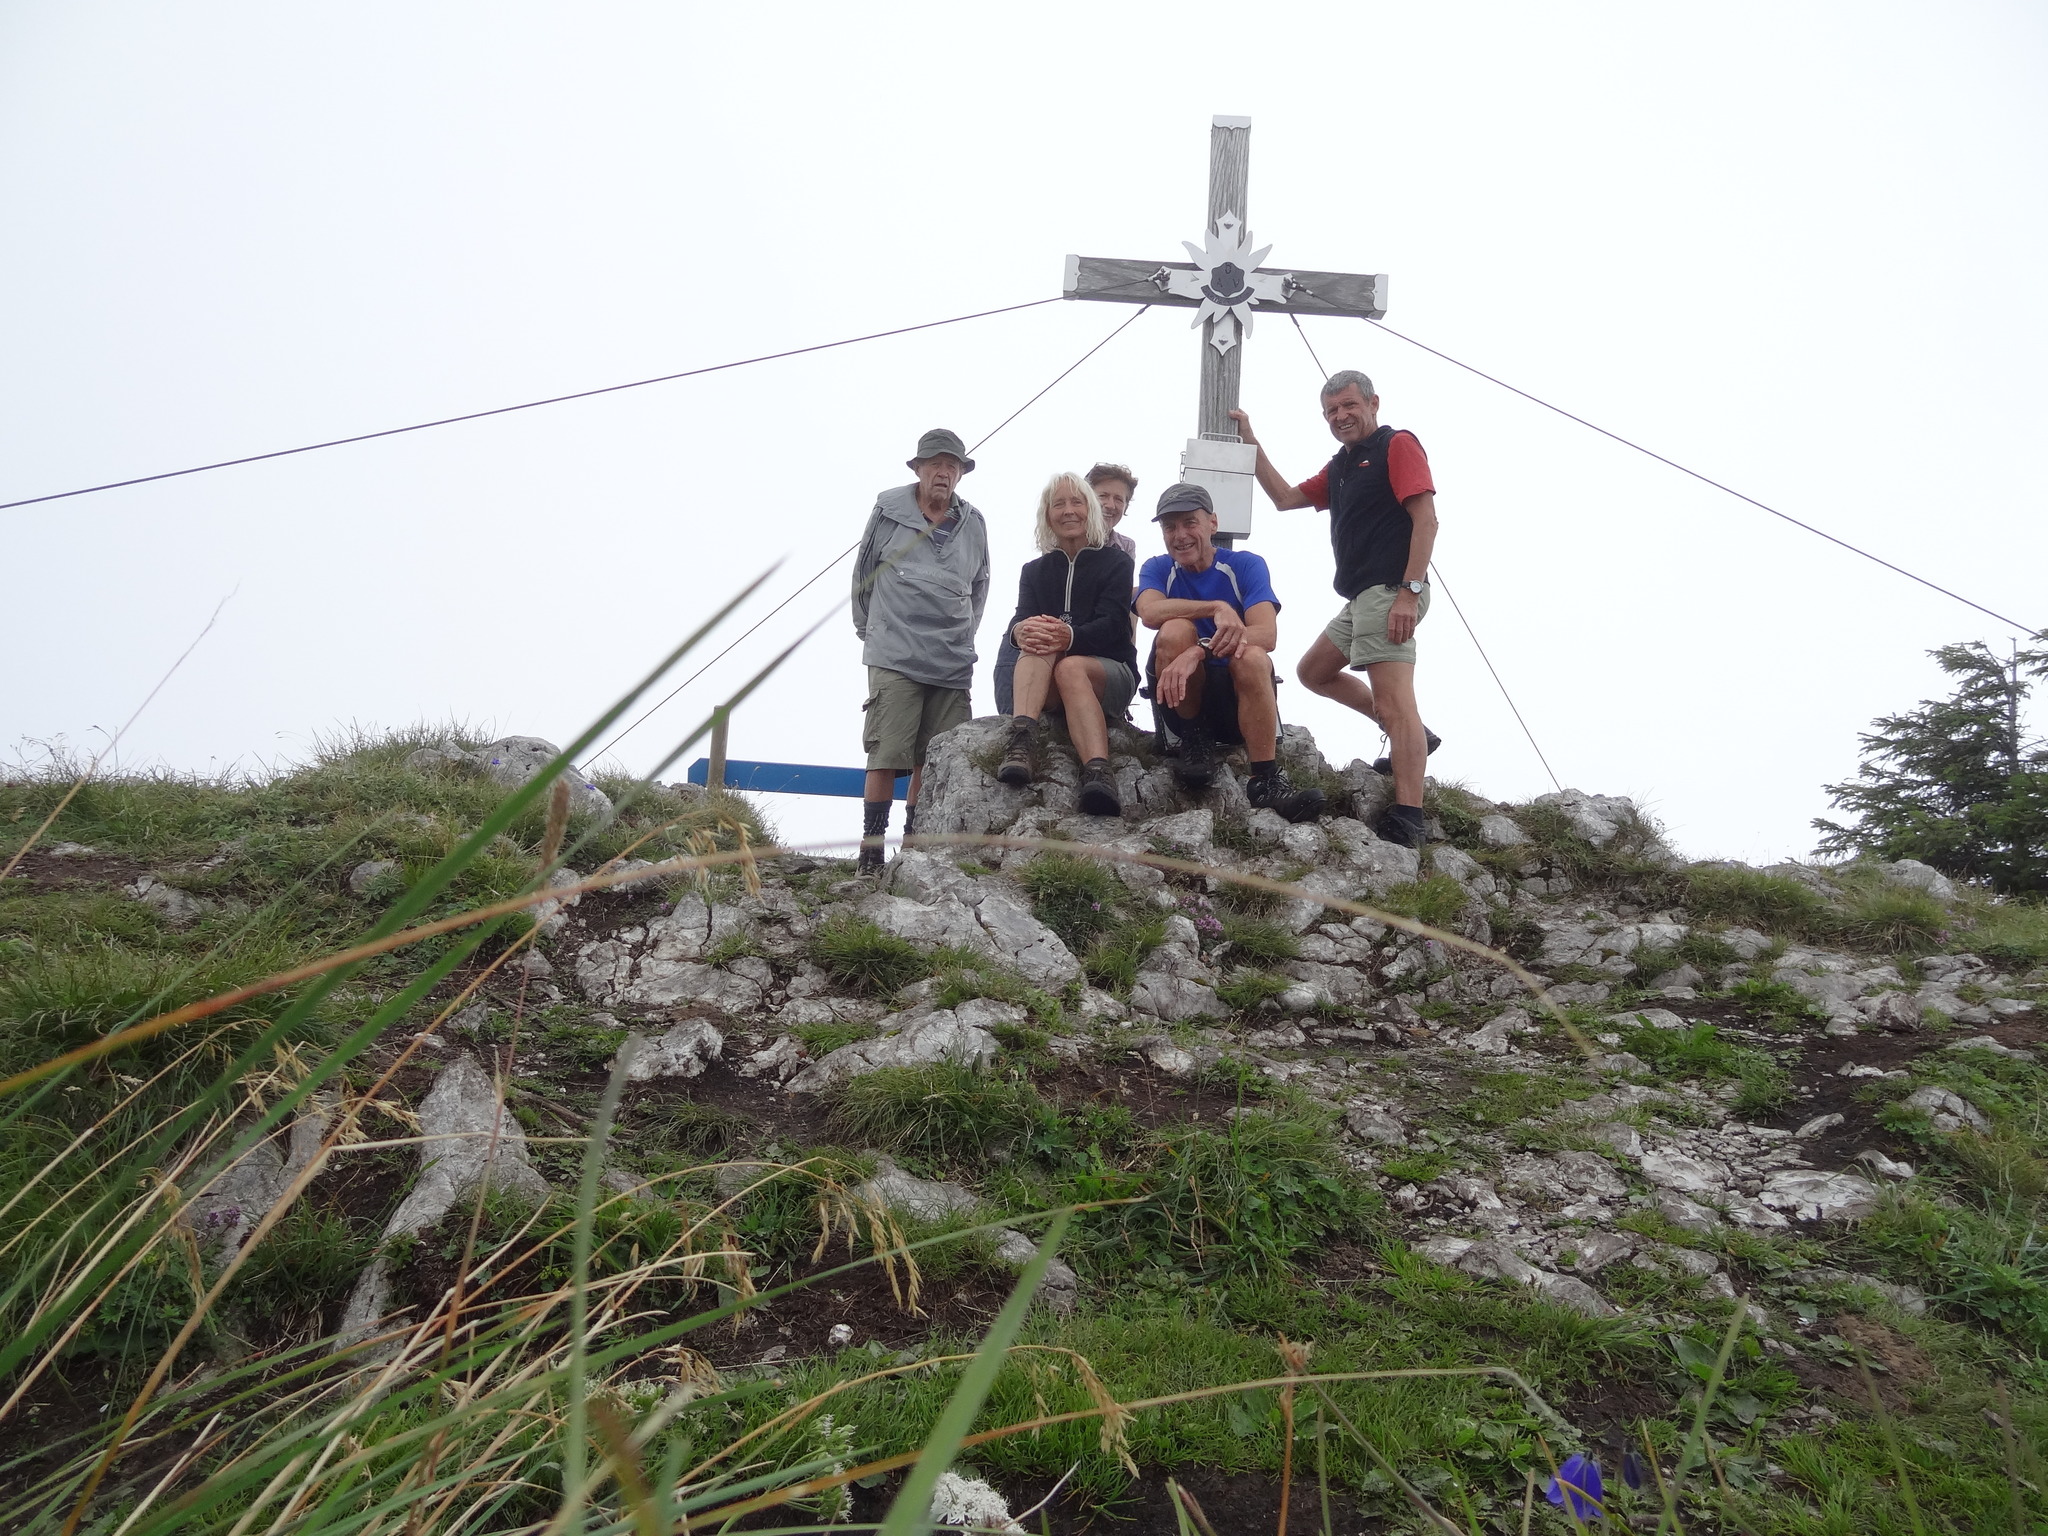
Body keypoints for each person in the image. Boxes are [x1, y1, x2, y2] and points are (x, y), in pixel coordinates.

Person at [1231, 372, 1440, 848]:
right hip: (1362, 597)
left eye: (1349, 406)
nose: (1341, 417)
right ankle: (1415, 738)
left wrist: (1408, 591)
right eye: (1331, 411)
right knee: (1314, 671)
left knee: (1394, 701)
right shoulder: (1343, 465)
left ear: (1373, 403)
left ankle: (1409, 815)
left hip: (1390, 590)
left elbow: (1425, 519)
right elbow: (1286, 499)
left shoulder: (1397, 445)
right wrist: (1252, 444)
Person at [1134, 483, 1325, 823]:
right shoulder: (1158, 568)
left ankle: (1265, 778)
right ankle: (1193, 740)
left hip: (1235, 700)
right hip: (1181, 701)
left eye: (1189, 522)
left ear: (1212, 524)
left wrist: (1199, 650)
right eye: (1170, 527)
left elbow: (1266, 634)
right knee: (1175, 629)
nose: (1180, 535)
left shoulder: (1245, 565)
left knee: (1252, 656)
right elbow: (1149, 613)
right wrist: (1217, 607)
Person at [849, 428, 990, 873]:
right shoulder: (888, 510)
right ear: (918, 469)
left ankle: (914, 848)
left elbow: (980, 587)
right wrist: (871, 629)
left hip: (950, 659)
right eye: (936, 465)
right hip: (894, 652)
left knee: (934, 756)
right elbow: (864, 573)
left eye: (952, 466)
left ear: (960, 473)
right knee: (887, 752)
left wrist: (964, 635)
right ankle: (870, 854)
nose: (944, 473)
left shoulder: (975, 523)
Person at [995, 472, 1138, 816]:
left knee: (1070, 664)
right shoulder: (1034, 570)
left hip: (1108, 673)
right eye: (1059, 504)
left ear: (1090, 509)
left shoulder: (1117, 562)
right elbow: (1021, 616)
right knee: (1036, 634)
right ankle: (1022, 742)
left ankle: (1098, 771)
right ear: (1048, 515)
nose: (1069, 511)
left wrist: (1071, 637)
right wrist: (1021, 631)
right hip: (1051, 678)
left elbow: (1114, 624)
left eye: (1077, 502)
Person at [994, 460, 1140, 715]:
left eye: (1120, 499)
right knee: (1023, 632)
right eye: (1103, 496)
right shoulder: (1057, 546)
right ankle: (1016, 721)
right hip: (1054, 633)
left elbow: (1119, 617)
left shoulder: (1122, 550)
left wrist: (1123, 660)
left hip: (1091, 646)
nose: (1110, 504)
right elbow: (1048, 599)